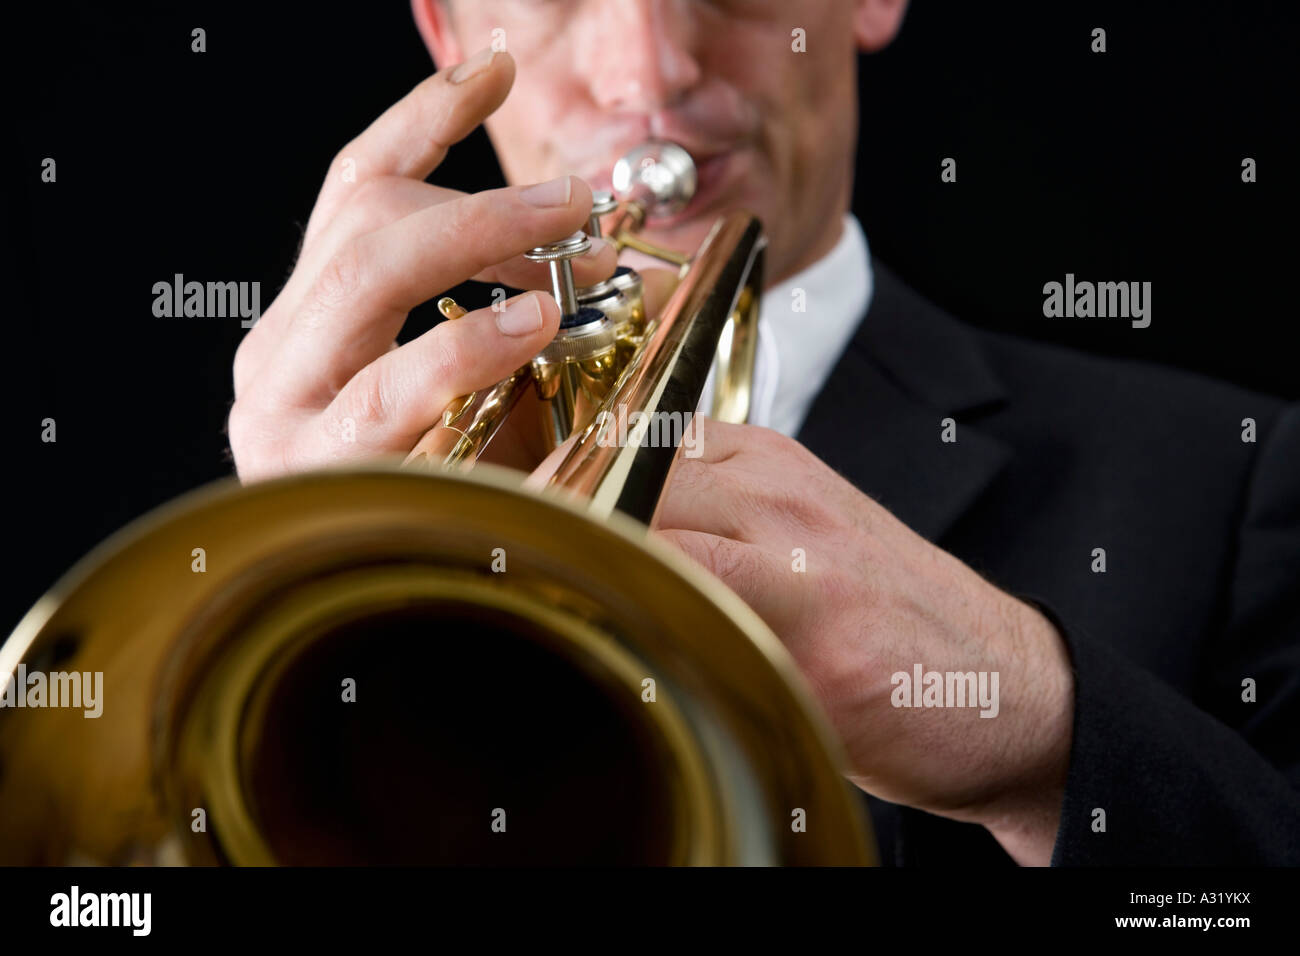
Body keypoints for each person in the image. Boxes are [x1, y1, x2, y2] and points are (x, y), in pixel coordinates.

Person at [227, 0, 1300, 865]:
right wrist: (280, 636)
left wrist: (1041, 730)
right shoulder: (347, 465)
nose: (646, 75)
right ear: (447, 32)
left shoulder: (1228, 476)